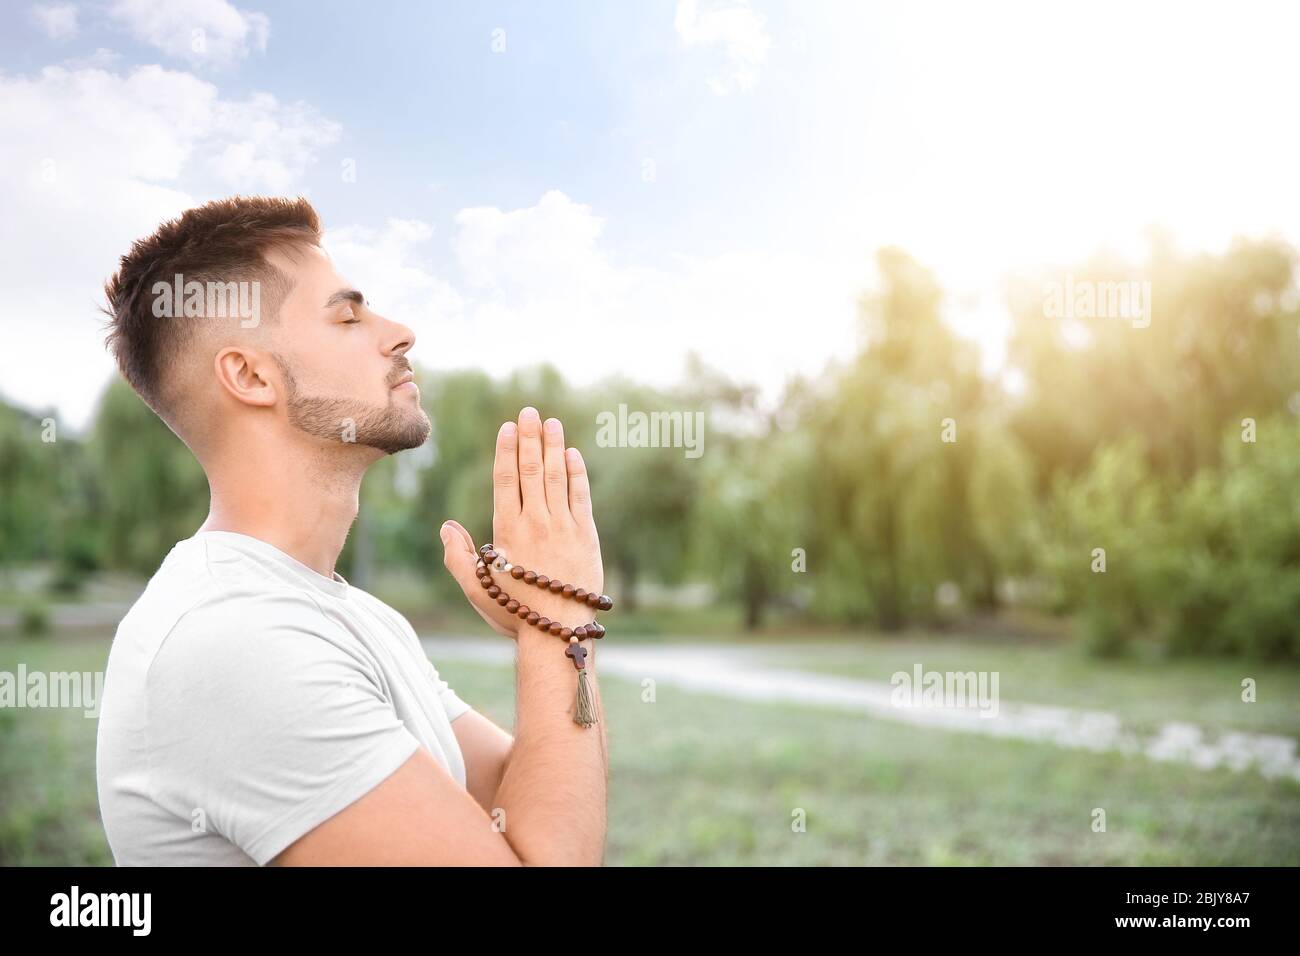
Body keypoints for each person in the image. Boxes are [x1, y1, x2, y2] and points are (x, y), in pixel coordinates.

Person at [94, 196, 607, 865]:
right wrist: (557, 618)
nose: (400, 332)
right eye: (347, 315)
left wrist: (552, 623)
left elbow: (540, 799)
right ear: (251, 376)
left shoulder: (358, 618)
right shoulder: (232, 641)